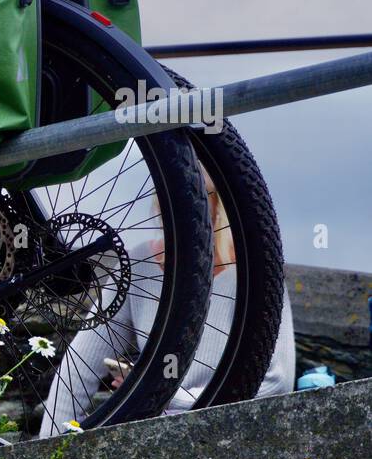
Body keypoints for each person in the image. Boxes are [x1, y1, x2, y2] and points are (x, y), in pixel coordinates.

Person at [39, 173, 295, 437]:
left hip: (235, 433)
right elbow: (76, 371)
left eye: (200, 193)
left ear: (221, 202)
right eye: (169, 189)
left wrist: (155, 391)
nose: (180, 202)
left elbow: (278, 382)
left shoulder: (256, 273)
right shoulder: (138, 264)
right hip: (158, 435)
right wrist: (48, 456)